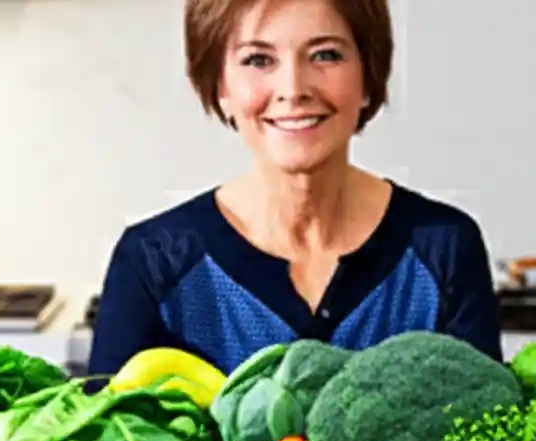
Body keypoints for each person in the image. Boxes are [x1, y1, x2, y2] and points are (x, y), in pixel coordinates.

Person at [87, 0, 502, 378]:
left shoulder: (443, 248)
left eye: (325, 55)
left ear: (368, 77)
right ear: (221, 88)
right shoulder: (153, 262)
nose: (293, 88)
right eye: (258, 59)